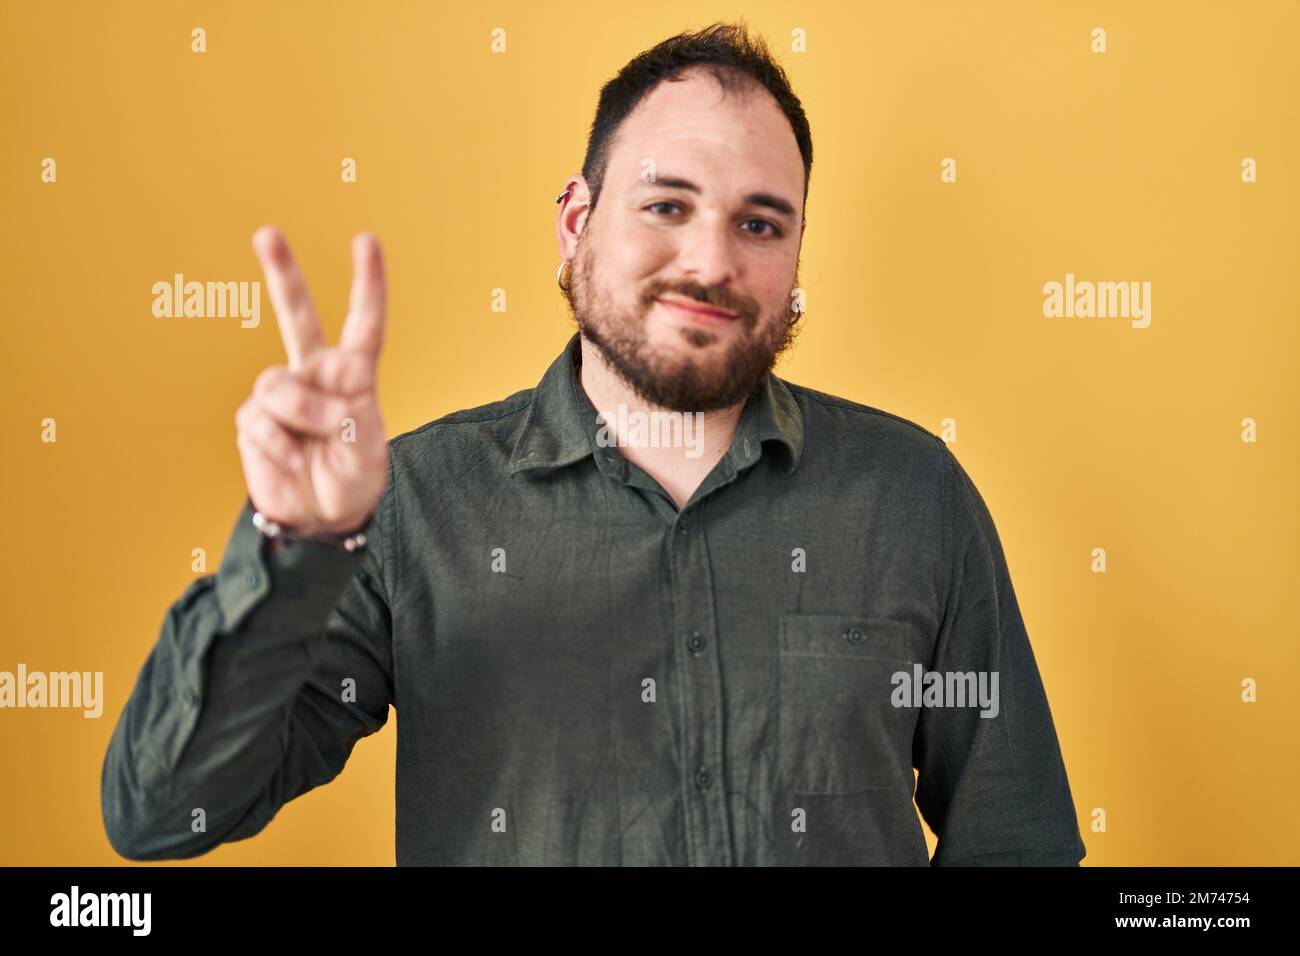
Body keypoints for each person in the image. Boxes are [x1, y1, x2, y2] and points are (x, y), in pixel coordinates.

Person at [102, 22, 1086, 866]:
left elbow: (1014, 836)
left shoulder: (913, 493)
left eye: (759, 222)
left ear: (794, 256)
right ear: (576, 221)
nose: (710, 259)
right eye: (667, 205)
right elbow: (161, 812)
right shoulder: (412, 505)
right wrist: (296, 542)